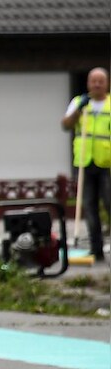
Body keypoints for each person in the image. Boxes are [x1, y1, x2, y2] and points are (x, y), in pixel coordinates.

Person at [62, 67, 111, 261]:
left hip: (107, 163)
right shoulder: (78, 103)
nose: (97, 85)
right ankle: (96, 249)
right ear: (88, 83)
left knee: (109, 204)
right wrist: (78, 110)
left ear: (107, 84)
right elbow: (66, 125)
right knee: (90, 207)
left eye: (101, 81)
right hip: (85, 163)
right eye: (93, 81)